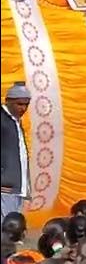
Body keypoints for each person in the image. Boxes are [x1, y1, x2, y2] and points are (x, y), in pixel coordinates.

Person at [1, 82, 31, 218]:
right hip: (4, 188)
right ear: (8, 101)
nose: (23, 108)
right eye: (19, 104)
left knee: (12, 228)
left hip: (16, 188)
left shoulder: (15, 121)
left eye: (26, 104)